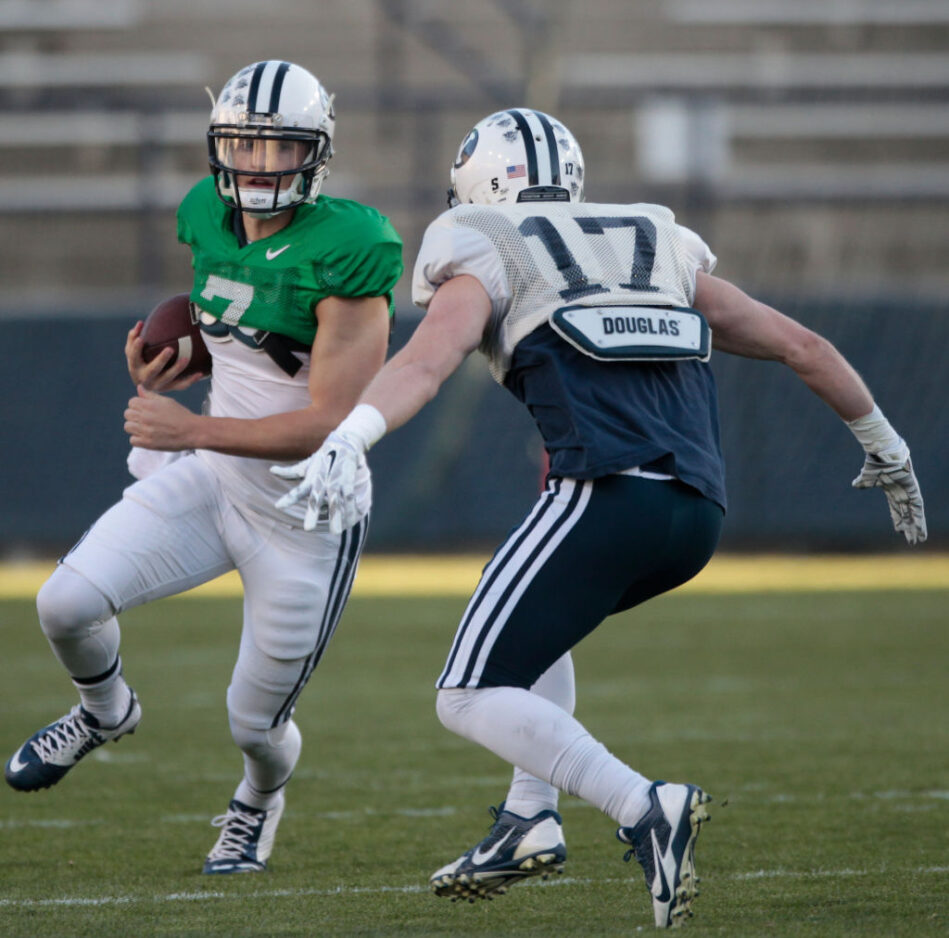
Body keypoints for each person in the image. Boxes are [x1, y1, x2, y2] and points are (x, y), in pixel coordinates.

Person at [272, 107, 926, 926]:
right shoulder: (655, 243)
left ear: (478, 183)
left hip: (603, 494)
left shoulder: (484, 243)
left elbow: (428, 359)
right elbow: (803, 346)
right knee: (531, 613)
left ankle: (641, 804)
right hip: (696, 517)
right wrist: (886, 447)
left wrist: (352, 434)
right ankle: (528, 817)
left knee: (466, 694)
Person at [4, 60, 403, 876]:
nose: (258, 163)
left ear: (316, 153)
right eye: (243, 144)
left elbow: (327, 425)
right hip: (216, 480)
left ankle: (256, 803)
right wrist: (182, 360)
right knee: (65, 602)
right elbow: (234, 329)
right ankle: (105, 712)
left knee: (253, 727)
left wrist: (189, 432)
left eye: (278, 146)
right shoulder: (203, 215)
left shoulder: (351, 247)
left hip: (305, 516)